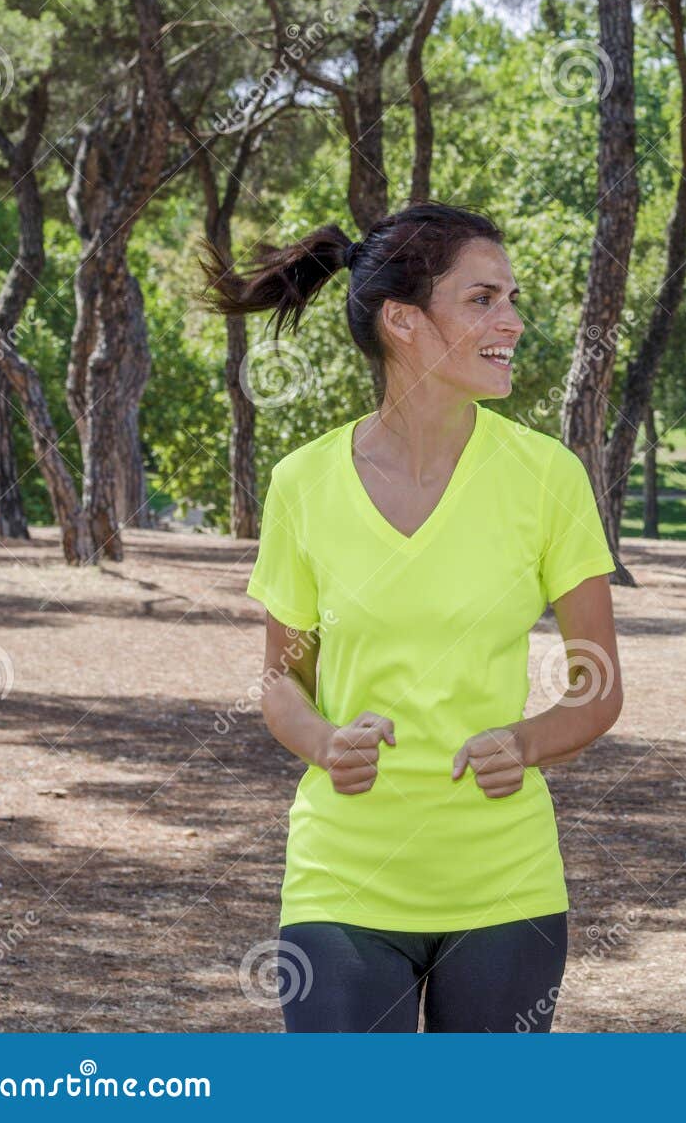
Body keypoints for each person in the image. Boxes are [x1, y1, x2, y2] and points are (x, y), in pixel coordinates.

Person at [205, 202, 622, 1032]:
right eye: (482, 300)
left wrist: (528, 743)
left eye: (511, 296)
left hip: (506, 884)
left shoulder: (548, 478)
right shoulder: (304, 483)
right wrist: (325, 743)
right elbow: (282, 684)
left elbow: (598, 687)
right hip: (342, 881)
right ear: (402, 320)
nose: (513, 320)